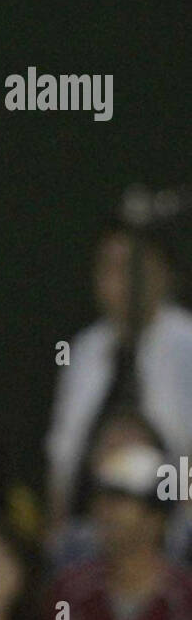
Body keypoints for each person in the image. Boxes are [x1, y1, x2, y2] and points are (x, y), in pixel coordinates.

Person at [46, 221, 192, 519]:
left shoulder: (186, 344)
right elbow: (63, 456)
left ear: (163, 273)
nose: (120, 281)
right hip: (94, 526)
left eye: (130, 267)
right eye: (109, 268)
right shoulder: (84, 349)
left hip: (175, 525)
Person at [38, 446, 192, 620]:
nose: (104, 511)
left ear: (156, 518)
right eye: (102, 499)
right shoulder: (69, 592)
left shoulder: (185, 595)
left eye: (120, 500)